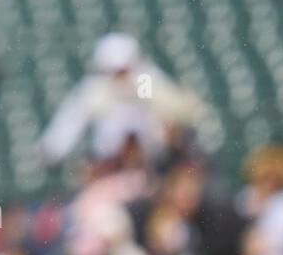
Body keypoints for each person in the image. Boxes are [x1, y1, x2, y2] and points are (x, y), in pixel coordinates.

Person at [39, 32, 204, 167]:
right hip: (111, 162)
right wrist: (53, 149)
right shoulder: (97, 87)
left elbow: (166, 108)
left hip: (153, 158)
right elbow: (71, 121)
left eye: (124, 69)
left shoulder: (144, 79)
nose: (121, 75)